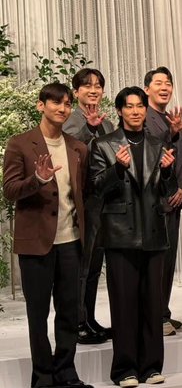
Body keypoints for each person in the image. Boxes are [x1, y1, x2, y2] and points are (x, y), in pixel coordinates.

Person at [89, 87, 177, 387]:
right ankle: (124, 370)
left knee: (153, 305)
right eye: (129, 106)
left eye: (140, 106)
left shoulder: (158, 143)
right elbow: (96, 187)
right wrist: (118, 168)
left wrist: (168, 173)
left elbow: (168, 192)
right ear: (120, 111)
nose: (136, 111)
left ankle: (151, 367)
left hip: (153, 232)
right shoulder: (103, 145)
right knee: (124, 305)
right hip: (120, 234)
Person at [2, 83, 88, 387]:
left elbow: (84, 193)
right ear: (41, 105)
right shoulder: (20, 144)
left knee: (69, 312)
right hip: (36, 243)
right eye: (56, 103)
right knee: (37, 314)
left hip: (70, 241)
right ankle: (42, 375)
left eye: (67, 104)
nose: (62, 109)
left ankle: (66, 369)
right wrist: (37, 179)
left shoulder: (78, 147)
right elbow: (10, 190)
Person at [63, 67, 115, 344]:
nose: (93, 90)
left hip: (103, 203)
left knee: (95, 266)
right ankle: (77, 323)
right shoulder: (69, 121)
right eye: (87, 86)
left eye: (98, 86)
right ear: (76, 92)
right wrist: (90, 129)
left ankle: (89, 318)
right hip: (80, 204)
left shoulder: (108, 124)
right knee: (81, 266)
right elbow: (70, 152)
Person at [143, 66, 182, 336]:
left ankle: (163, 312)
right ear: (147, 88)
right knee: (156, 263)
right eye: (159, 83)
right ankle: (154, 316)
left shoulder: (170, 118)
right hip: (155, 201)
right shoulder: (144, 117)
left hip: (174, 199)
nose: (165, 87)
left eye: (168, 83)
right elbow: (152, 155)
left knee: (169, 260)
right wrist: (170, 135)